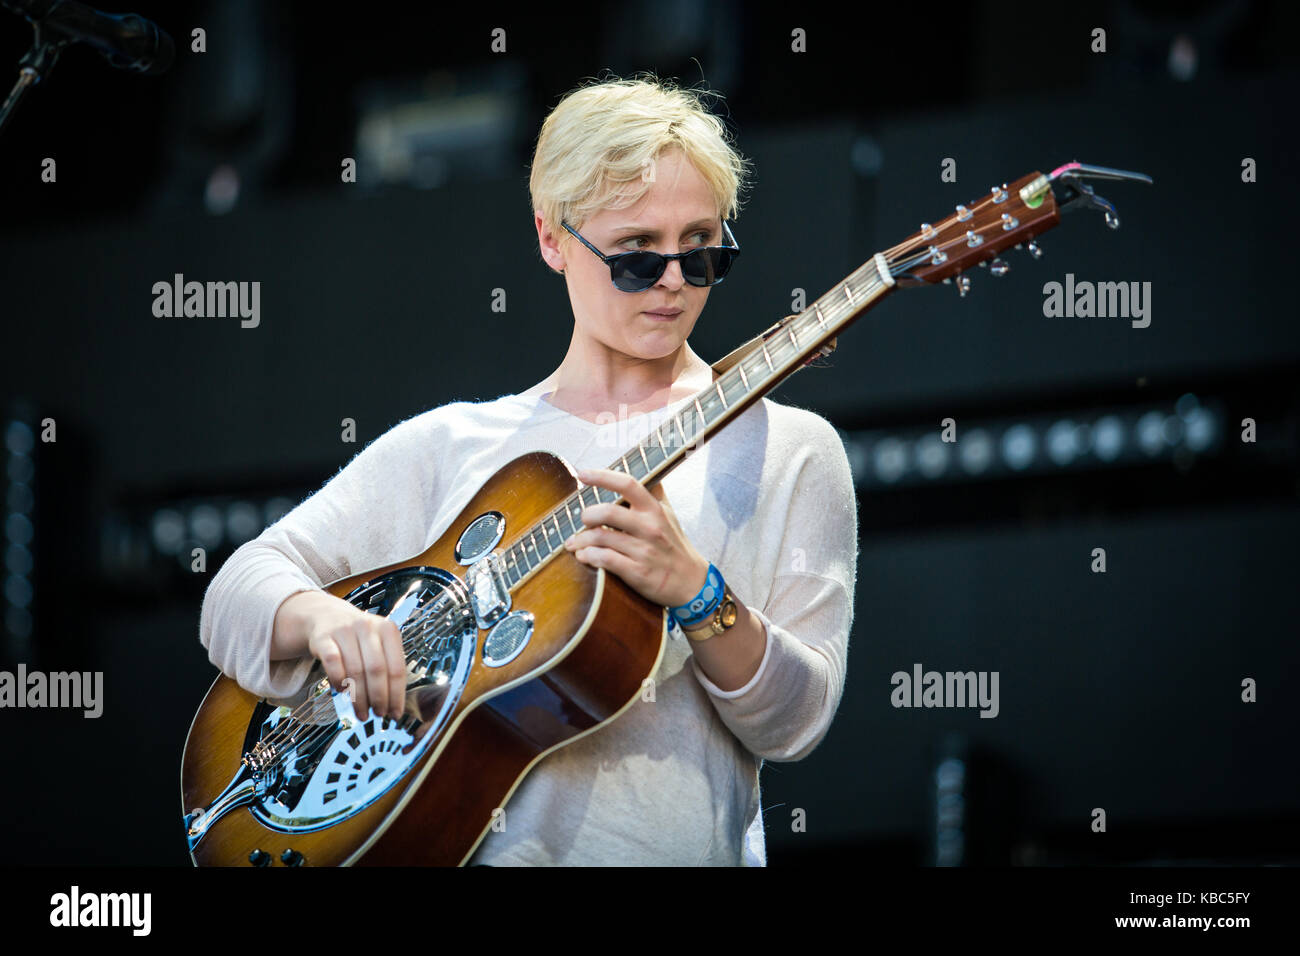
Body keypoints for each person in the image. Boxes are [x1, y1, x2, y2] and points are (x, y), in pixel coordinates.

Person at [199, 73, 858, 866]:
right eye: (636, 256)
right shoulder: (452, 445)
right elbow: (237, 590)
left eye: (702, 248)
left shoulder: (790, 448)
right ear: (552, 239)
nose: (676, 282)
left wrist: (697, 590)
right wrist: (325, 621)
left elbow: (799, 723)